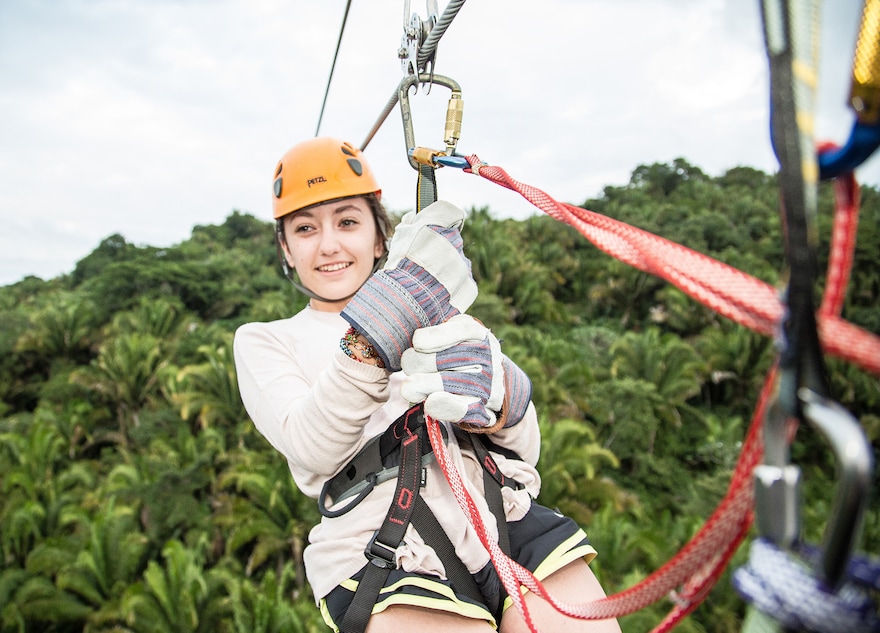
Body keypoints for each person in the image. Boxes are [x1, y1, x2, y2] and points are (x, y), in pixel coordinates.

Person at [233, 136, 621, 633]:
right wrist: (375, 335)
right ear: (286, 249)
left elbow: (525, 450)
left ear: (380, 238)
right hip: (384, 544)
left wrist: (500, 393)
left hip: (500, 510)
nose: (328, 244)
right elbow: (311, 449)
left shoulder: (442, 313)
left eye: (347, 222)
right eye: (305, 229)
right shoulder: (267, 340)